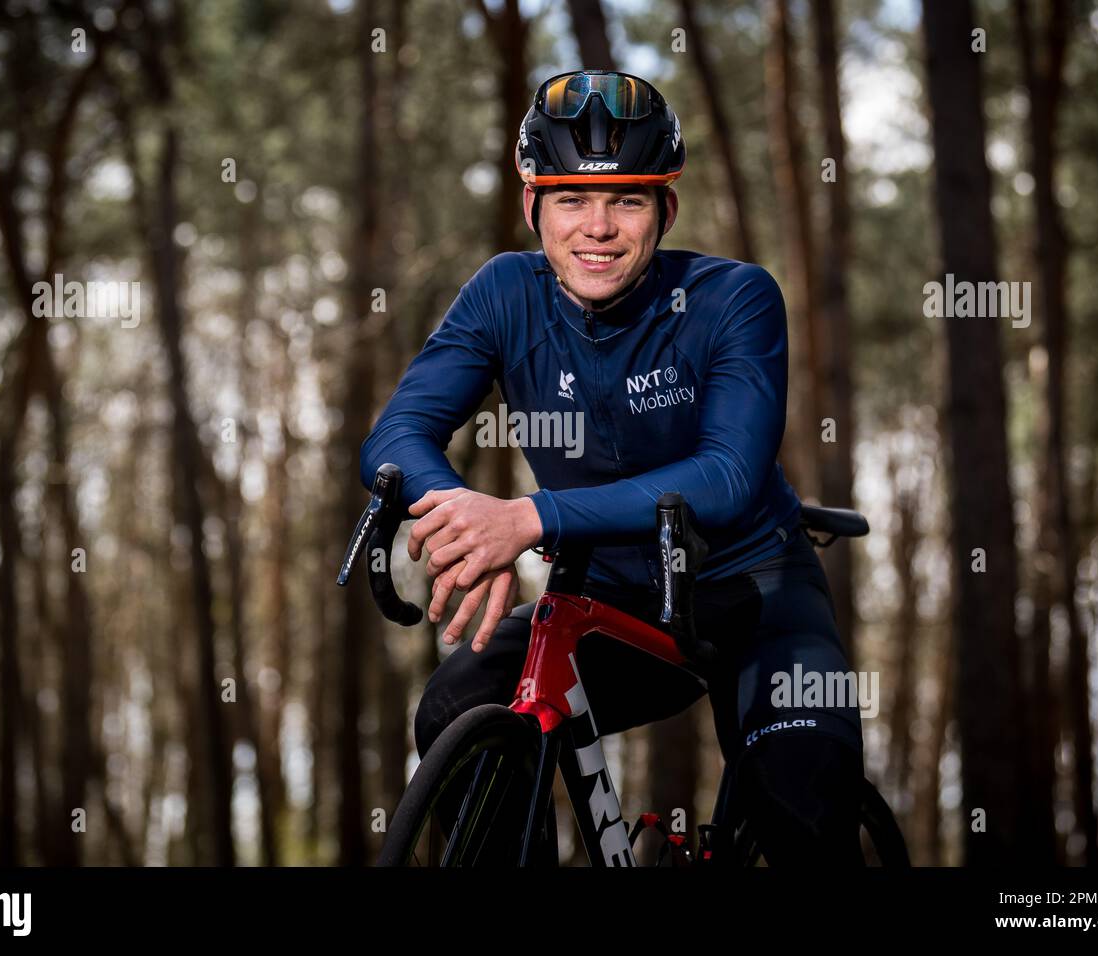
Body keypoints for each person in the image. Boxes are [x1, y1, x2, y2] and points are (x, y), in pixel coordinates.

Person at [360, 70, 865, 865]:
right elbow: (395, 437)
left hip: (752, 597)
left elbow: (729, 477)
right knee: (453, 704)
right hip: (610, 599)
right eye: (570, 199)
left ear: (665, 208)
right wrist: (461, 513)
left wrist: (526, 519)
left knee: (803, 798)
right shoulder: (504, 294)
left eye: (627, 199)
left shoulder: (734, 297)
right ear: (534, 207)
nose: (597, 227)